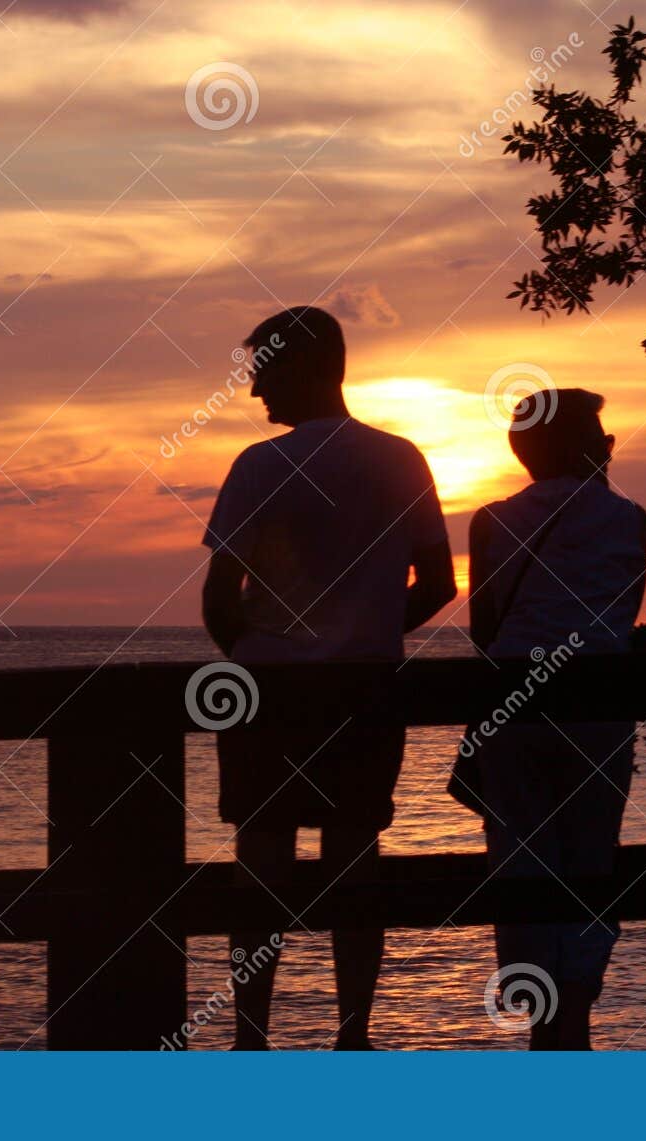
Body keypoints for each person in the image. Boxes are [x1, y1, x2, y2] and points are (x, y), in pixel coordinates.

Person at [201, 305, 456, 1050]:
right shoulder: (401, 458)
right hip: (365, 688)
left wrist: (262, 653)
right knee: (354, 857)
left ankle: (251, 1038)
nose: (255, 391)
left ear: (305, 368)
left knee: (261, 862)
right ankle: (354, 1036)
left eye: (264, 372)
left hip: (269, 694)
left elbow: (219, 596)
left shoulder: (258, 465)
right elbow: (440, 584)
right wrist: (368, 633)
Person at [466, 388, 646, 1050]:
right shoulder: (631, 518)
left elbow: (485, 629)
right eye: (601, 436)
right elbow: (623, 613)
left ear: (524, 450)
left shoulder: (491, 521)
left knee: (520, 862)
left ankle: (543, 1027)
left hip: (516, 712)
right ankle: (575, 1024)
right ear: (585, 445)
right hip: (599, 709)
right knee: (591, 861)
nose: (609, 447)